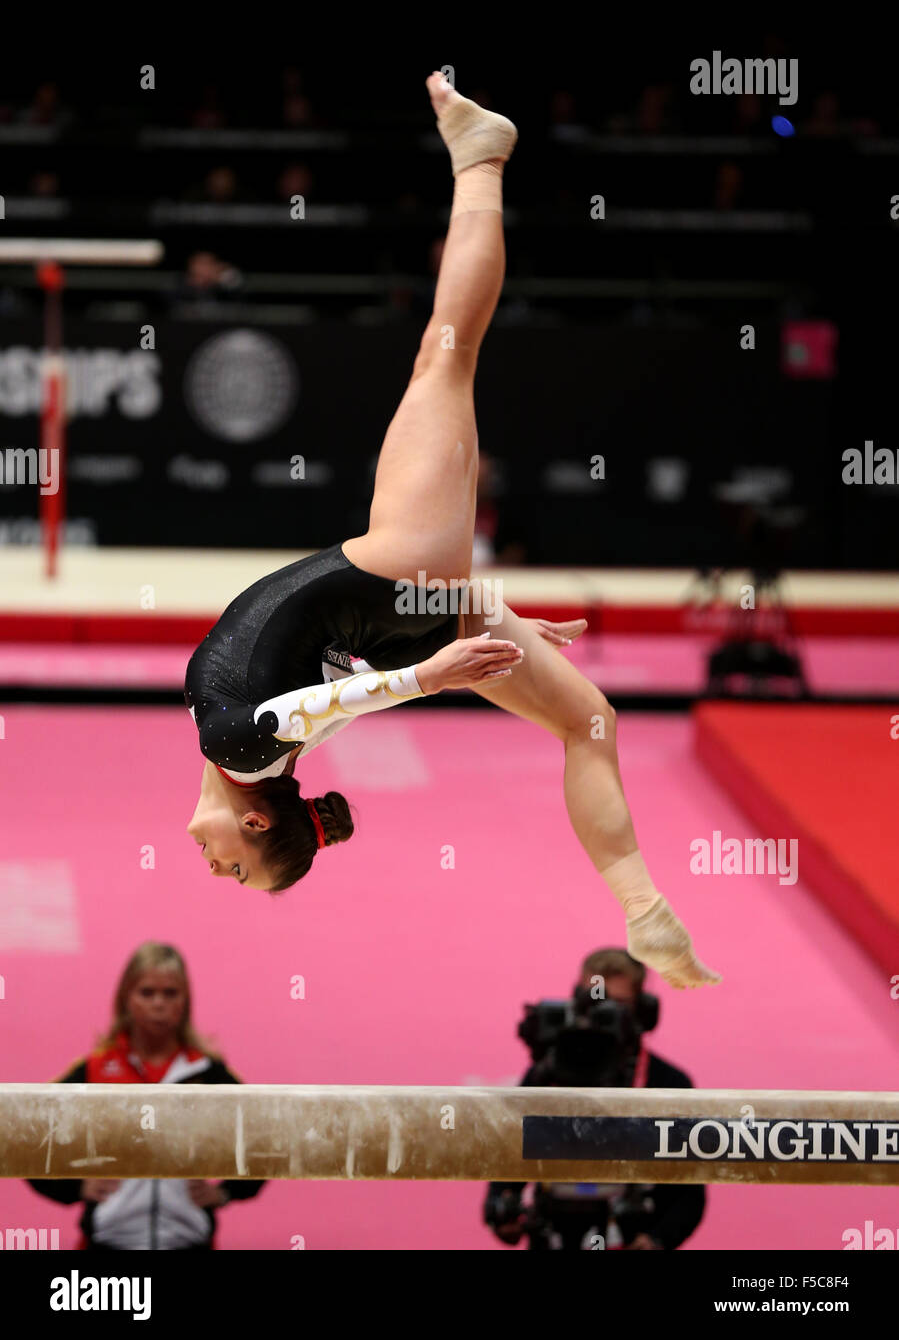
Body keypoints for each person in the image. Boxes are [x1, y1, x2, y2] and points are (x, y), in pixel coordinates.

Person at [184, 71, 719, 991]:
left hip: (416, 596)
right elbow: (324, 700)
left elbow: (330, 660)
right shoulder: (243, 747)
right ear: (259, 823)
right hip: (405, 569)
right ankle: (481, 158)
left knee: (589, 720)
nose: (212, 864)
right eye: (234, 865)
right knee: (446, 348)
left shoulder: (244, 745)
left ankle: (642, 910)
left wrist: (471, 611)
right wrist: (432, 666)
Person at [25, 942, 264, 1249]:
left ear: (185, 1002)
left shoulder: (207, 1075)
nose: (159, 1004)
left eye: (170, 993)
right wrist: (74, 1187)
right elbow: (26, 1135)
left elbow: (265, 1141)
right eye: (147, 992)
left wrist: (226, 1192)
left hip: (189, 1240)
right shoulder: (96, 1071)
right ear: (126, 998)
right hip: (108, 1243)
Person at [484, 949, 706, 1250]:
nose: (603, 1016)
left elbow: (690, 1194)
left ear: (643, 1012)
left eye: (617, 1007)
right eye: (595, 1002)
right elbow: (506, 1163)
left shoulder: (669, 1085)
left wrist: (657, 1239)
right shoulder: (547, 1076)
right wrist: (503, 1208)